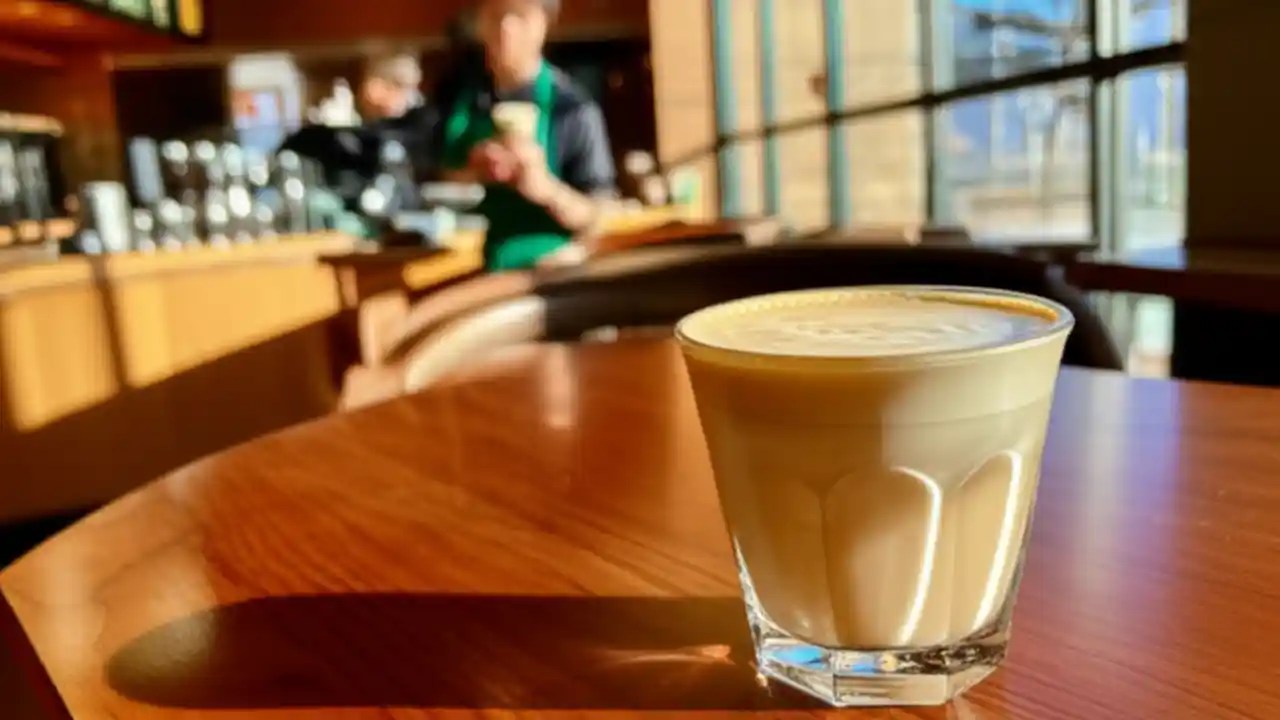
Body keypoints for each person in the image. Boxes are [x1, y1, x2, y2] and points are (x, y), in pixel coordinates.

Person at [436, 0, 617, 271]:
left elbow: (604, 214)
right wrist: (476, 170)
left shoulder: (572, 109)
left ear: (544, 22)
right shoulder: (463, 97)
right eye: (495, 15)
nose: (505, 27)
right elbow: (441, 179)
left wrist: (545, 188)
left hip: (554, 269)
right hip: (479, 262)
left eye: (519, 15)